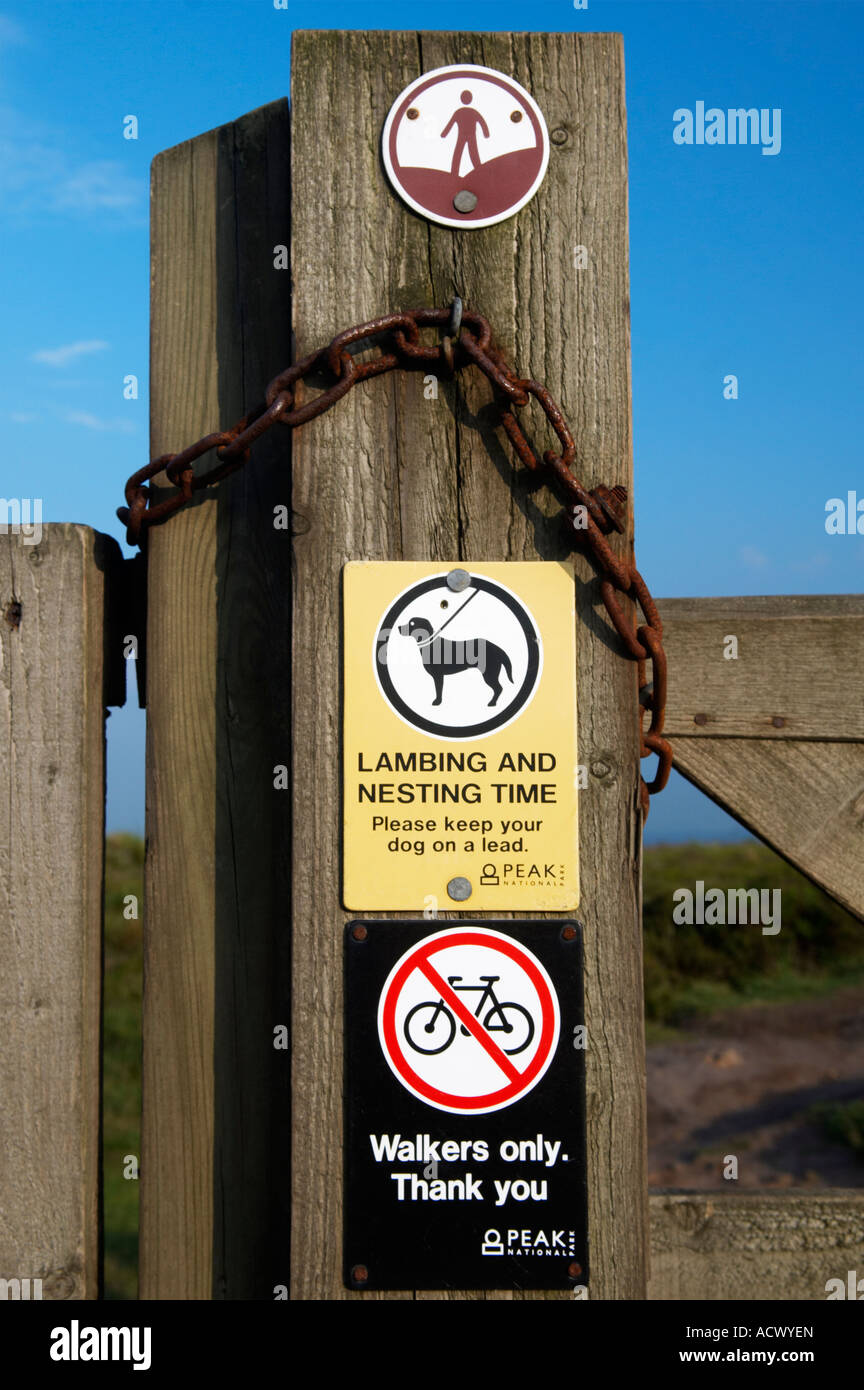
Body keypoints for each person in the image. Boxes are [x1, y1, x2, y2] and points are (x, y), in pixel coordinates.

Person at [441, 91, 490, 177]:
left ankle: (455, 172)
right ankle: (457, 173)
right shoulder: (471, 112)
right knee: (470, 153)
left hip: (466, 136)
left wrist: (444, 134)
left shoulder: (460, 112)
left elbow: (450, 124)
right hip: (467, 136)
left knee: (463, 153)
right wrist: (486, 133)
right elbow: (482, 123)